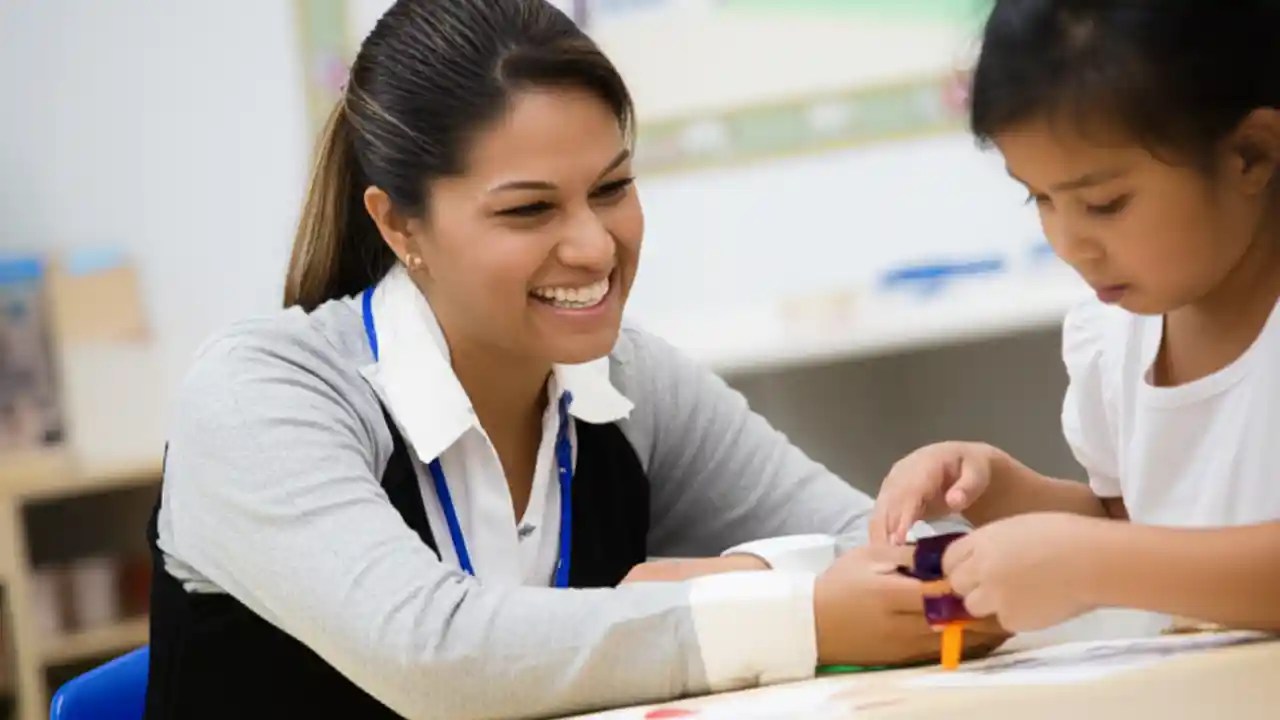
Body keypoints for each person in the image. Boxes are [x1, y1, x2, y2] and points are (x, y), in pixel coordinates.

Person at [144, 1, 1003, 718]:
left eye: (612, 189)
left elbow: (928, 565)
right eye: (528, 211)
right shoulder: (263, 394)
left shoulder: (630, 383)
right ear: (398, 224)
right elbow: (435, 655)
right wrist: (795, 615)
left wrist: (739, 575)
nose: (594, 247)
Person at [871, 0, 1280, 634]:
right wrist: (999, 491)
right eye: (1039, 197)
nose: (1069, 243)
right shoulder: (1116, 336)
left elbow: (1127, 560)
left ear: (1249, 156)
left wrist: (1091, 563)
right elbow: (1139, 534)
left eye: (1105, 203)